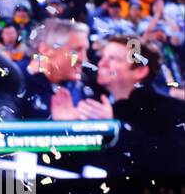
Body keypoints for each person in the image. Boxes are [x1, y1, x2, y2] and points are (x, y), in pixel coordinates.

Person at [94, 36, 185, 175]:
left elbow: (174, 160)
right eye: (102, 57)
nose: (102, 63)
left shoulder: (171, 110)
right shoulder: (93, 103)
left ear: (140, 71)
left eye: (113, 59)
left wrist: (116, 131)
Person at [21, 18, 99, 118]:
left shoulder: (79, 88)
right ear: (45, 49)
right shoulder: (14, 83)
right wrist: (60, 127)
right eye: (76, 50)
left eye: (85, 51)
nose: (84, 59)